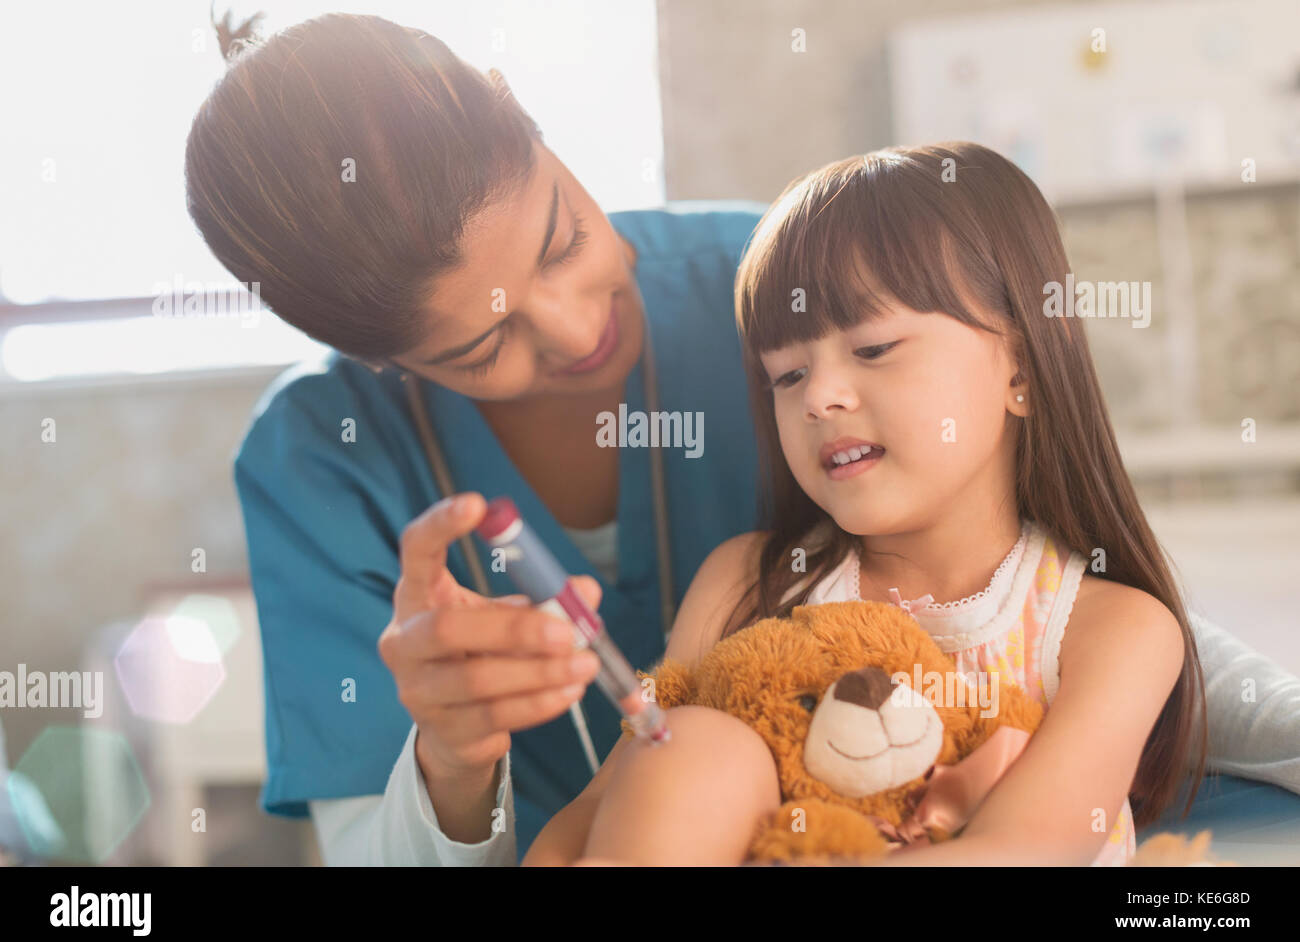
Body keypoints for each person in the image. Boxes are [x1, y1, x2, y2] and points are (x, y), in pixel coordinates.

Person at [187, 15, 1300, 865]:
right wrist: (451, 760)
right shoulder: (320, 458)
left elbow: (1124, 632)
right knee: (702, 747)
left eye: (562, 239)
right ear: (389, 362)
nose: (578, 329)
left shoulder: (786, 287)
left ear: (525, 113)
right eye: (484, 347)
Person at [526, 143, 1219, 865]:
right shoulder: (745, 582)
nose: (820, 397)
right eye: (787, 374)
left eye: (875, 348)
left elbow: (1025, 850)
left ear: (1020, 368)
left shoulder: (1111, 628)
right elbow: (603, 810)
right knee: (689, 742)